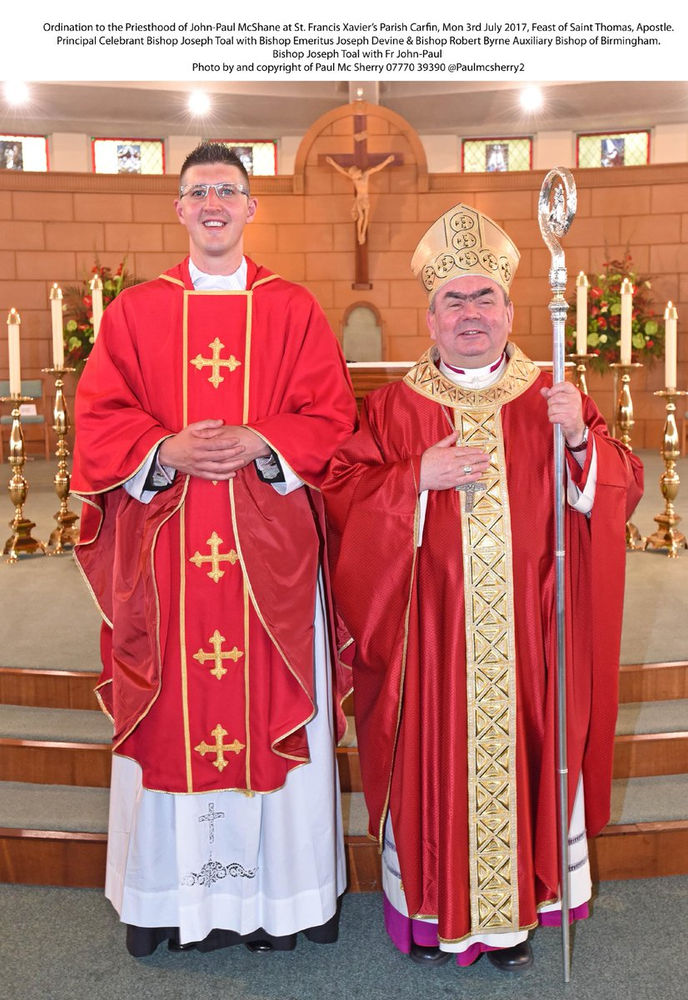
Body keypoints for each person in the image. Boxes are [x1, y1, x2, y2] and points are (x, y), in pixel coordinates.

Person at [323, 203, 643, 972]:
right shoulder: (393, 408)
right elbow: (340, 496)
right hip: (429, 645)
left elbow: (620, 487)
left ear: (509, 310)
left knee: (528, 762)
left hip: (532, 638)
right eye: (454, 300)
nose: (470, 314)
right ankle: (431, 916)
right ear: (430, 318)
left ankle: (515, 922)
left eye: (484, 298)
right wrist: (412, 478)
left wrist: (580, 440)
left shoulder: (554, 396)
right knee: (434, 770)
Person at [71, 142, 357, 957]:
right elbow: (98, 417)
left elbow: (333, 419)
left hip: (269, 560)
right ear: (179, 209)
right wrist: (163, 450)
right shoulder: (134, 313)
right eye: (198, 192)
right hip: (167, 556)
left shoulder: (293, 309)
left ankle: (283, 902)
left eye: (227, 190)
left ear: (251, 207)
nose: (213, 204)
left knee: (270, 704)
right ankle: (168, 902)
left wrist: (263, 441)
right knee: (169, 706)